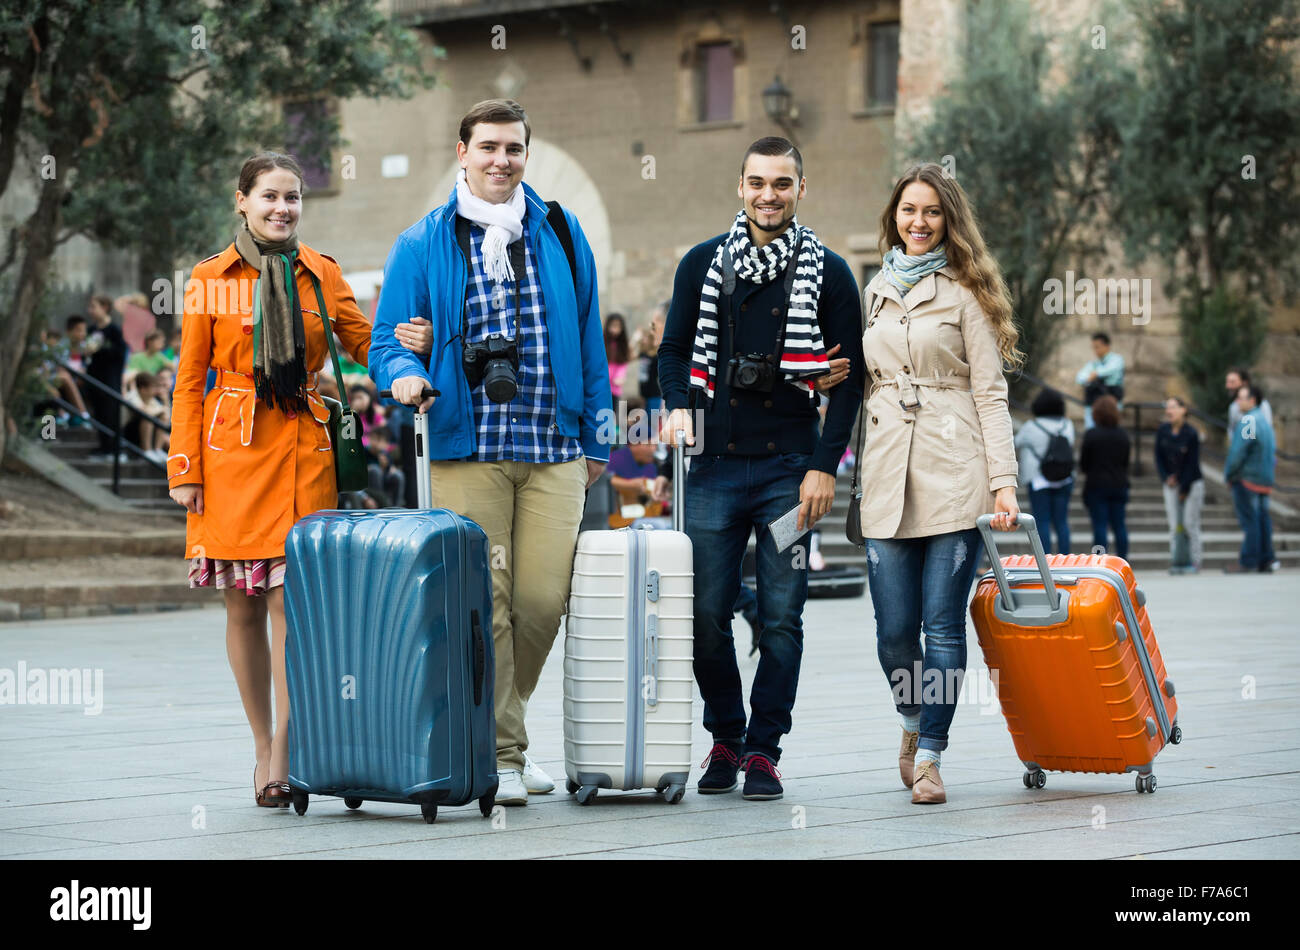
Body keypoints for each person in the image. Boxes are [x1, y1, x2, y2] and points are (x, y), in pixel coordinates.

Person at [167, 151, 430, 808]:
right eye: (269, 197)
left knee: (292, 606)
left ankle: (284, 753)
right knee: (241, 606)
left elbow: (363, 342)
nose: (282, 208)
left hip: (302, 456)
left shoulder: (322, 274)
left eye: (293, 198)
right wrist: (185, 469)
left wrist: (407, 352)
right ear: (242, 202)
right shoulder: (209, 280)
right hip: (228, 457)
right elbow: (188, 383)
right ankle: (261, 743)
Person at [371, 99, 611, 806]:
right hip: (463, 448)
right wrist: (404, 373)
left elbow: (591, 338)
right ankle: (504, 753)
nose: (501, 160)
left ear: (525, 155)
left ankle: (500, 729)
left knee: (541, 600)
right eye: (488, 148)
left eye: (513, 148)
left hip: (553, 444)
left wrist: (599, 434)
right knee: (488, 603)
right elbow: (386, 340)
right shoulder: (422, 242)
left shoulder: (561, 234)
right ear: (462, 151)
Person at [658, 136, 865, 802]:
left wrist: (824, 467)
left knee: (781, 615)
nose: (768, 196)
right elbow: (671, 353)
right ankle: (725, 735)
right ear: (739, 187)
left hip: (788, 473)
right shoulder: (701, 264)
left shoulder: (830, 273)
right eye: (757, 183)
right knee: (705, 615)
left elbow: (850, 382)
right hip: (712, 468)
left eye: (781, 184)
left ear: (801, 189)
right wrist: (678, 405)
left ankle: (764, 750)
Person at [857, 162, 1021, 806]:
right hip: (887, 471)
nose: (918, 222)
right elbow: (872, 378)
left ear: (949, 221)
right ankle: (910, 721)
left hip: (957, 471)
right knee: (894, 632)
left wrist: (1003, 484)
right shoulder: (877, 289)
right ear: (894, 217)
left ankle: (930, 756)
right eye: (908, 211)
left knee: (942, 628)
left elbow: (990, 391)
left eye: (931, 212)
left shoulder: (967, 293)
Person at [1223, 382, 1277, 573]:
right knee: (1262, 520)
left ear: (1252, 400)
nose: (1237, 401)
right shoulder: (1263, 420)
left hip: (1248, 479)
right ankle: (1267, 559)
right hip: (1264, 479)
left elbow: (1239, 451)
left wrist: (1229, 473)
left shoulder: (1249, 421)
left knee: (1250, 521)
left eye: (1241, 397)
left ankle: (1249, 561)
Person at [1014, 388, 1075, 554]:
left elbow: (1015, 443)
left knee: (1042, 521)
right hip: (1064, 477)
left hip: (1038, 479)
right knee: (1061, 521)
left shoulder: (1031, 426)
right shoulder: (1067, 425)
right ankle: (1065, 558)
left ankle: (1045, 559)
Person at [1154, 396, 1203, 573]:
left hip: (1190, 483)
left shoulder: (1191, 433)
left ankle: (1195, 560)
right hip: (1170, 484)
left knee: (1190, 523)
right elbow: (1158, 457)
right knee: (1174, 525)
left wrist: (1184, 486)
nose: (1169, 411)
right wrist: (1167, 477)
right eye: (1167, 408)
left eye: (1173, 407)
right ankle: (1176, 559)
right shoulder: (1163, 431)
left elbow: (1192, 463)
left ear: (1183, 409)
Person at [1079, 394, 1130, 559]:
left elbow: (1084, 464)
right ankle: (1123, 560)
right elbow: (1125, 461)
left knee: (1099, 527)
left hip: (1096, 486)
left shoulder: (1091, 434)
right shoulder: (1123, 435)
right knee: (1120, 526)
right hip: (1119, 484)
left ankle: (1098, 560)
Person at [84, 293, 129, 458]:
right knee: (99, 413)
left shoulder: (115, 330)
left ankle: (114, 448)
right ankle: (103, 446)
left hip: (110, 379)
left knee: (111, 413)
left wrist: (100, 349)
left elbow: (120, 353)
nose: (90, 311)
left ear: (105, 308)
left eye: (94, 307)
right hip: (94, 377)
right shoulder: (91, 330)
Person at [1076, 331, 1124, 429]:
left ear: (1107, 346)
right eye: (1093, 347)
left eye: (1097, 347)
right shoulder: (1093, 363)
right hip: (1094, 402)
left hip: (1111, 402)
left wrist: (1095, 374)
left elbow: (1109, 370)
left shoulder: (1117, 359)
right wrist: (1090, 377)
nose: (1095, 350)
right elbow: (1080, 377)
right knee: (1091, 429)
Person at [122, 371, 170, 463]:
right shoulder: (132, 396)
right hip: (128, 434)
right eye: (153, 387)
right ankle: (147, 451)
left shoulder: (151, 399)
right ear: (143, 389)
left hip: (145, 432)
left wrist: (165, 401)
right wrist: (161, 410)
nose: (156, 391)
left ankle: (157, 450)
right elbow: (145, 412)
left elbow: (166, 415)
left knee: (163, 417)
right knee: (148, 418)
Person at [604, 312, 631, 398]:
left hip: (615, 390)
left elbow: (623, 364)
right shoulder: (602, 343)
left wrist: (620, 377)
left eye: (618, 326)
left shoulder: (622, 345)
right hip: (603, 388)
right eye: (613, 325)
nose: (615, 330)